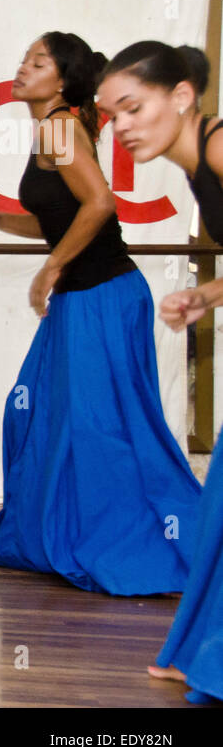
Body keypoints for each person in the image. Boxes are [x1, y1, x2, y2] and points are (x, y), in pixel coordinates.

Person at [0, 33, 200, 594]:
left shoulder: (59, 126)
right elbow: (61, 219)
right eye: (24, 58)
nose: (23, 67)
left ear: (63, 80)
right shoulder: (55, 128)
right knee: (41, 417)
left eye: (38, 62)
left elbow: (100, 204)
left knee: (107, 429)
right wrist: (1, 220)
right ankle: (64, 533)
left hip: (103, 295)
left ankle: (164, 541)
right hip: (84, 300)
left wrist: (50, 270)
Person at [98, 41, 221, 702]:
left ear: (181, 97)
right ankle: (199, 651)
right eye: (112, 115)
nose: (121, 127)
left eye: (133, 107)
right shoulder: (200, 164)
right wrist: (207, 295)